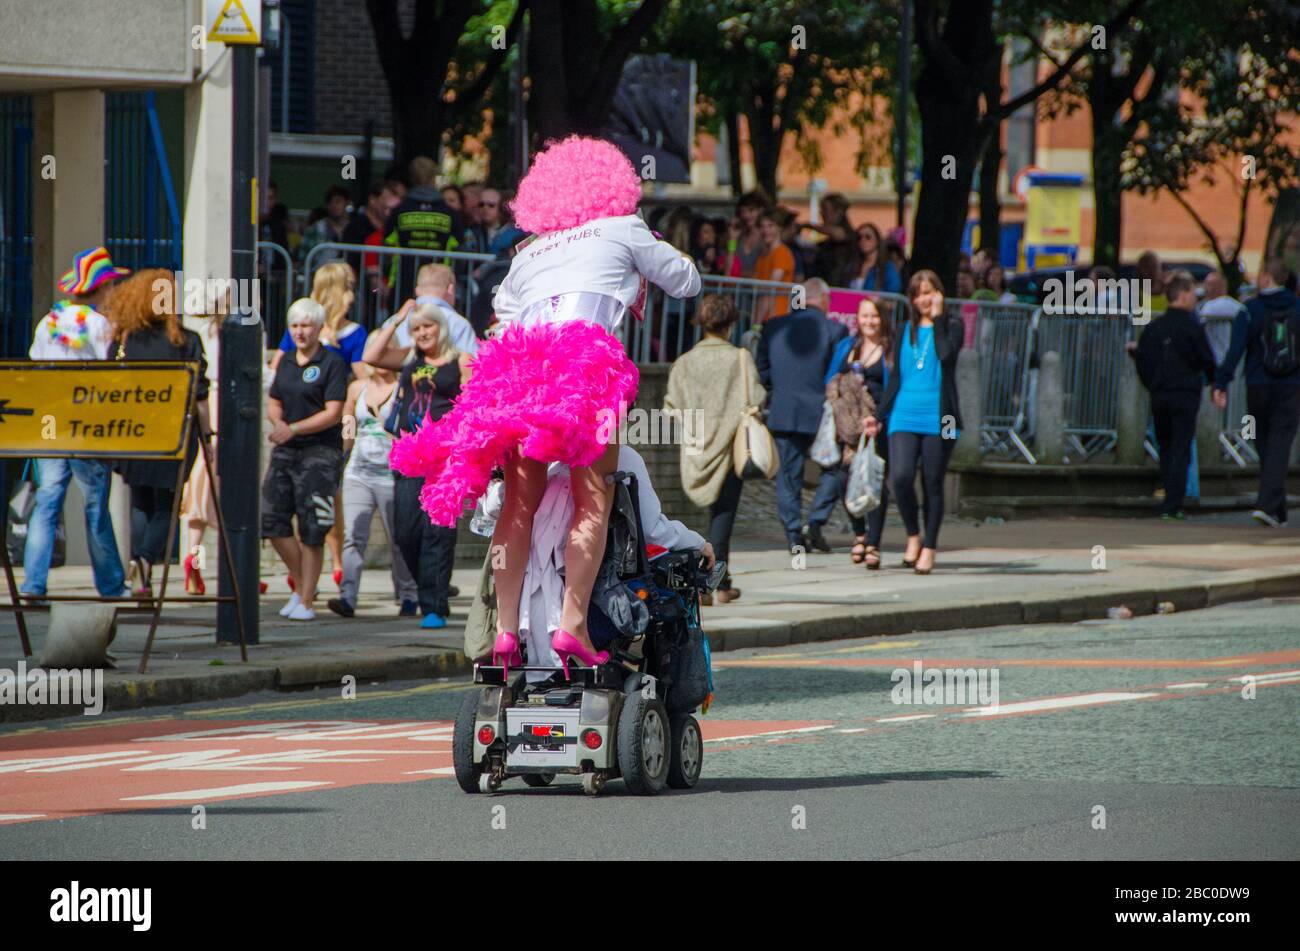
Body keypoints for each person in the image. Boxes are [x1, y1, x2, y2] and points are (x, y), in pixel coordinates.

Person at [387, 135, 701, 674]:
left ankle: (506, 630)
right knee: (593, 496)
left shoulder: (528, 251)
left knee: (517, 504)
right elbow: (687, 281)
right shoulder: (623, 229)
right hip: (584, 367)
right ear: (615, 185)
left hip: (517, 371)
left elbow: (504, 316)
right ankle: (572, 624)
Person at [20, 247, 130, 601]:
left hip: (48, 423)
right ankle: (111, 585)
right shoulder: (99, 325)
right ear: (99, 289)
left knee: (47, 502)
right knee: (96, 505)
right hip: (84, 424)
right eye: (110, 284)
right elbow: (106, 375)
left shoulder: (47, 323)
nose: (113, 291)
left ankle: (33, 583)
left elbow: (34, 369)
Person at [363, 304, 474, 628]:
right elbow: (371, 355)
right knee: (406, 532)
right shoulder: (410, 359)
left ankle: (434, 605)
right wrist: (397, 319)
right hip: (410, 454)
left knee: (438, 533)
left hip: (444, 457)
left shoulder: (460, 360)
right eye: (417, 328)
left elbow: (470, 403)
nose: (424, 333)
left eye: (429, 327)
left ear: (441, 327)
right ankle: (432, 588)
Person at [107, 270, 212, 597]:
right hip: (173, 433)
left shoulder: (125, 340)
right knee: (167, 504)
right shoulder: (186, 340)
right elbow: (200, 395)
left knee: (140, 500)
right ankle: (147, 560)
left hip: (133, 431)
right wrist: (208, 436)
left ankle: (138, 561)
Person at [664, 295, 764, 604]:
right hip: (732, 447)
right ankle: (719, 584)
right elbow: (757, 398)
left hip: (695, 450)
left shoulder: (684, 362)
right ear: (731, 325)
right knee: (723, 516)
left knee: (694, 520)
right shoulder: (741, 358)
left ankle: (699, 584)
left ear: (701, 325)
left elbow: (671, 409)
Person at [863, 270, 964, 574]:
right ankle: (913, 534)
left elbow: (946, 356)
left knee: (932, 483)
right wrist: (878, 415)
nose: (923, 299)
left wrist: (940, 318)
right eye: (918, 293)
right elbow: (896, 378)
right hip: (904, 414)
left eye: (929, 292)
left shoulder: (953, 326)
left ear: (939, 294)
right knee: (901, 478)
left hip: (939, 416)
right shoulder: (905, 329)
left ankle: (929, 547)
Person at [262, 298, 348, 621]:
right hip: (286, 450)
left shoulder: (332, 362)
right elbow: (274, 401)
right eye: (295, 325)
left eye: (306, 325)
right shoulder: (284, 362)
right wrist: (280, 424)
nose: (300, 332)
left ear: (318, 328)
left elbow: (333, 411)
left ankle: (307, 600)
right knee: (271, 518)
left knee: (313, 525)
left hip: (320, 452)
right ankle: (301, 586)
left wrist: (294, 428)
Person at [756, 277, 848, 553]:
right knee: (834, 468)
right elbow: (839, 372)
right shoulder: (836, 329)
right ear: (824, 300)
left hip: (784, 409)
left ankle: (794, 533)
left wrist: (777, 391)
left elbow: (761, 370)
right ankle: (817, 522)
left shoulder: (773, 327)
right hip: (822, 412)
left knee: (788, 476)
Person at [328, 362, 420, 619]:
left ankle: (409, 594)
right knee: (353, 536)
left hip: (391, 472)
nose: (379, 363)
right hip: (359, 471)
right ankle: (347, 596)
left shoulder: (403, 386)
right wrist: (344, 448)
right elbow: (348, 420)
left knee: (398, 538)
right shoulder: (358, 387)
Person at [1213, 259, 1300, 528]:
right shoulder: (1298, 307)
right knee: (1280, 445)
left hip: (1258, 384)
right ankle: (1273, 507)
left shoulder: (1250, 310)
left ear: (1265, 278)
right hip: (1291, 386)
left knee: (1264, 442)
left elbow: (1235, 349)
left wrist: (1221, 382)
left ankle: (1271, 507)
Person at [1132, 271, 1217, 520]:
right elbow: (1206, 359)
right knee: (1181, 446)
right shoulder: (1192, 327)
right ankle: (1174, 502)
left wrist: (1153, 384)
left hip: (1160, 393)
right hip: (1185, 393)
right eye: (1192, 292)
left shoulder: (1154, 328)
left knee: (1166, 445)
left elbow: (1143, 362)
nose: (1194, 298)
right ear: (1182, 295)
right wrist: (1213, 382)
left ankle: (1169, 494)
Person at [826, 296, 894, 569]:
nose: (869, 321)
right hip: (849, 428)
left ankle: (874, 543)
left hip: (878, 425)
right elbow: (830, 378)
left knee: (874, 480)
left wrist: (878, 417)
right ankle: (859, 533)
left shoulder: (890, 349)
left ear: (883, 319)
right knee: (844, 480)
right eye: (865, 315)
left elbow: (894, 386)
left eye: (874, 316)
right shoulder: (847, 346)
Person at [383, 155, 464, 301]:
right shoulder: (449, 213)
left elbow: (388, 244)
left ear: (412, 178)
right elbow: (459, 247)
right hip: (439, 281)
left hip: (404, 280)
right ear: (433, 178)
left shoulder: (399, 210)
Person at [180, 308, 221, 595]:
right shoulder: (249, 329)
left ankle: (193, 554)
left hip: (210, 405)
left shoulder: (204, 332)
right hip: (227, 402)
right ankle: (241, 570)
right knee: (223, 487)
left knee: (201, 484)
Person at [393, 263, 479, 356]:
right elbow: (472, 365)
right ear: (451, 289)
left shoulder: (394, 321)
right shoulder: (459, 324)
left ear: (417, 290)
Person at [754, 209, 797, 322]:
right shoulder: (762, 255)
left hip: (777, 317)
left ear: (779, 227)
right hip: (764, 316)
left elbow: (771, 287)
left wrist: (756, 322)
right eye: (762, 226)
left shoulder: (782, 252)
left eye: (770, 226)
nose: (766, 230)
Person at [845, 222, 902, 293]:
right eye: (859, 237)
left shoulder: (887, 267)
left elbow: (894, 294)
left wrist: (878, 300)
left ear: (877, 240)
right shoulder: (851, 266)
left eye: (868, 237)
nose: (863, 240)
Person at [724, 191, 768, 278]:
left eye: (751, 210)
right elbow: (728, 272)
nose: (746, 215)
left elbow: (762, 273)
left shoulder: (766, 237)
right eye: (743, 211)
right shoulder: (738, 236)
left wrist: (741, 273)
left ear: (760, 210)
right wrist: (732, 239)